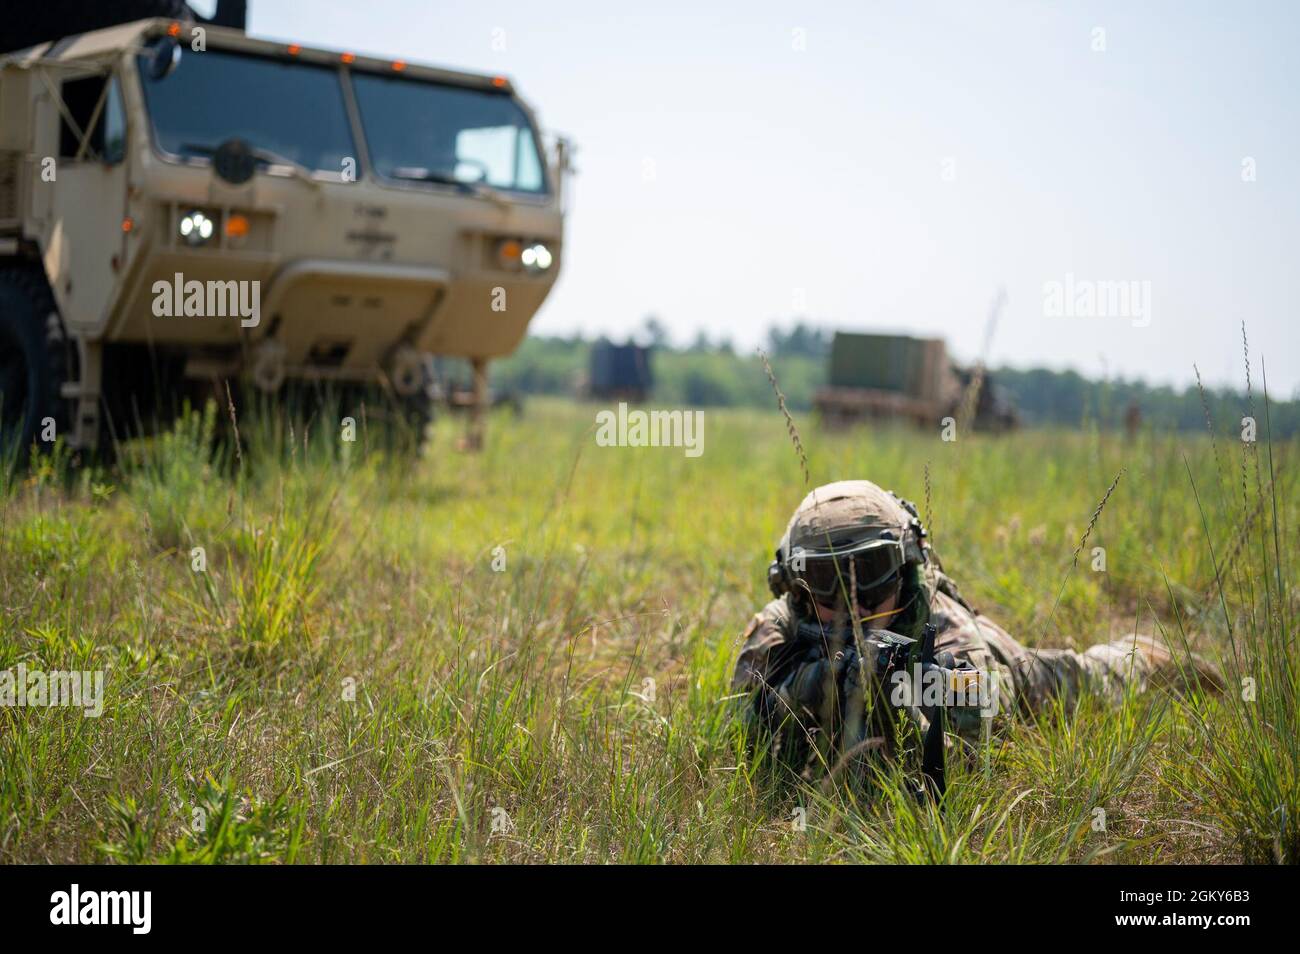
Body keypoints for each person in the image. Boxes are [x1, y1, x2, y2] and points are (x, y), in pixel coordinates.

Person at [733, 480, 1221, 781]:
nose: (854, 599)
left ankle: (1142, 657)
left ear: (904, 566)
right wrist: (829, 684)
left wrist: (911, 695)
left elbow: (976, 736)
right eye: (828, 579)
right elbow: (747, 720)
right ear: (793, 583)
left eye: (873, 569)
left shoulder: (943, 625)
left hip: (1013, 676)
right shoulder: (779, 626)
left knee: (1089, 678)